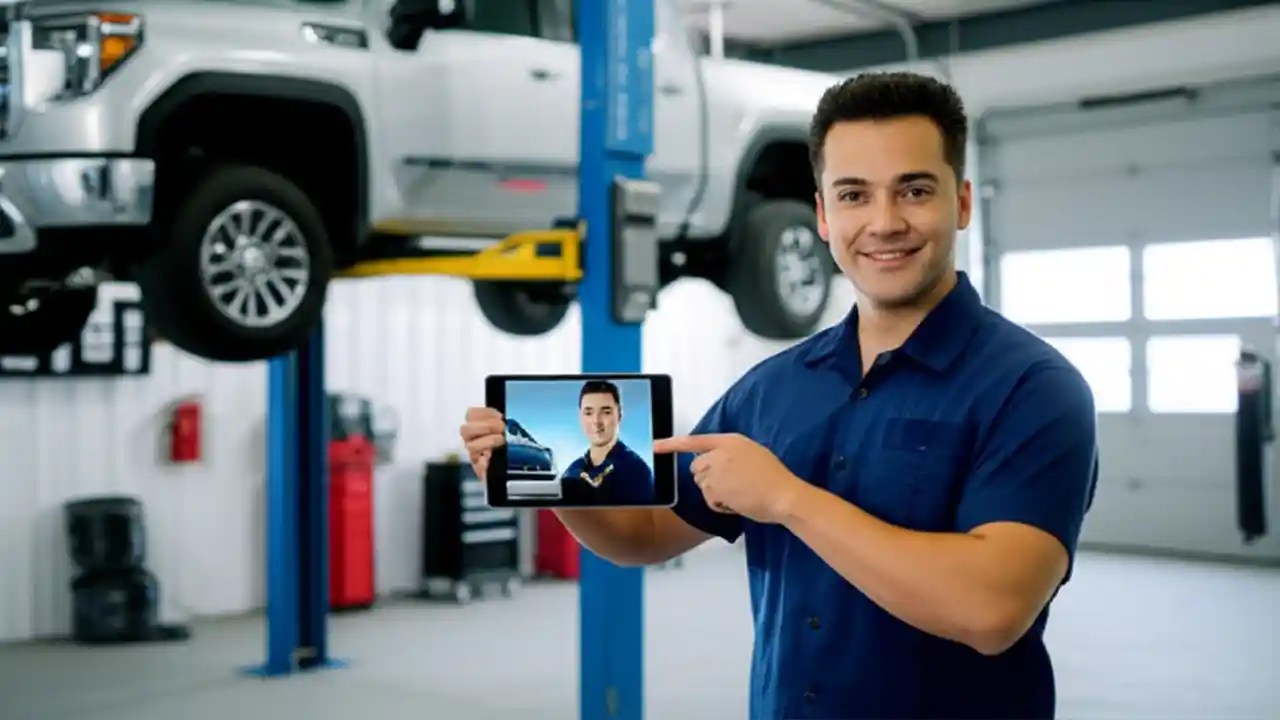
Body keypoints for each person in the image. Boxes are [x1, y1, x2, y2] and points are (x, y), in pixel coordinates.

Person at [461, 71, 1098, 719]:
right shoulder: (774, 389)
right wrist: (543, 473)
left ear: (961, 203)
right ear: (823, 215)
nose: (883, 222)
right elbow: (643, 531)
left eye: (913, 190)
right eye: (853, 195)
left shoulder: (1033, 389)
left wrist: (786, 498)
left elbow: (991, 610)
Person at [557, 380, 656, 506]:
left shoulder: (636, 471)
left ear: (619, 414)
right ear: (580, 416)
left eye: (606, 412)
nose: (596, 421)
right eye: (588, 413)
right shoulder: (572, 472)